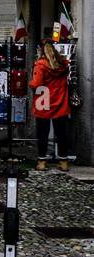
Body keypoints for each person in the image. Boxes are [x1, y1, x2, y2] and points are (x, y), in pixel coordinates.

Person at [31, 40, 72, 171]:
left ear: (41, 51)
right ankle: (64, 161)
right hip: (60, 101)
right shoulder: (63, 65)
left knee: (43, 133)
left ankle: (42, 162)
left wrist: (30, 83)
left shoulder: (40, 65)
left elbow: (36, 84)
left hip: (44, 101)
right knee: (61, 133)